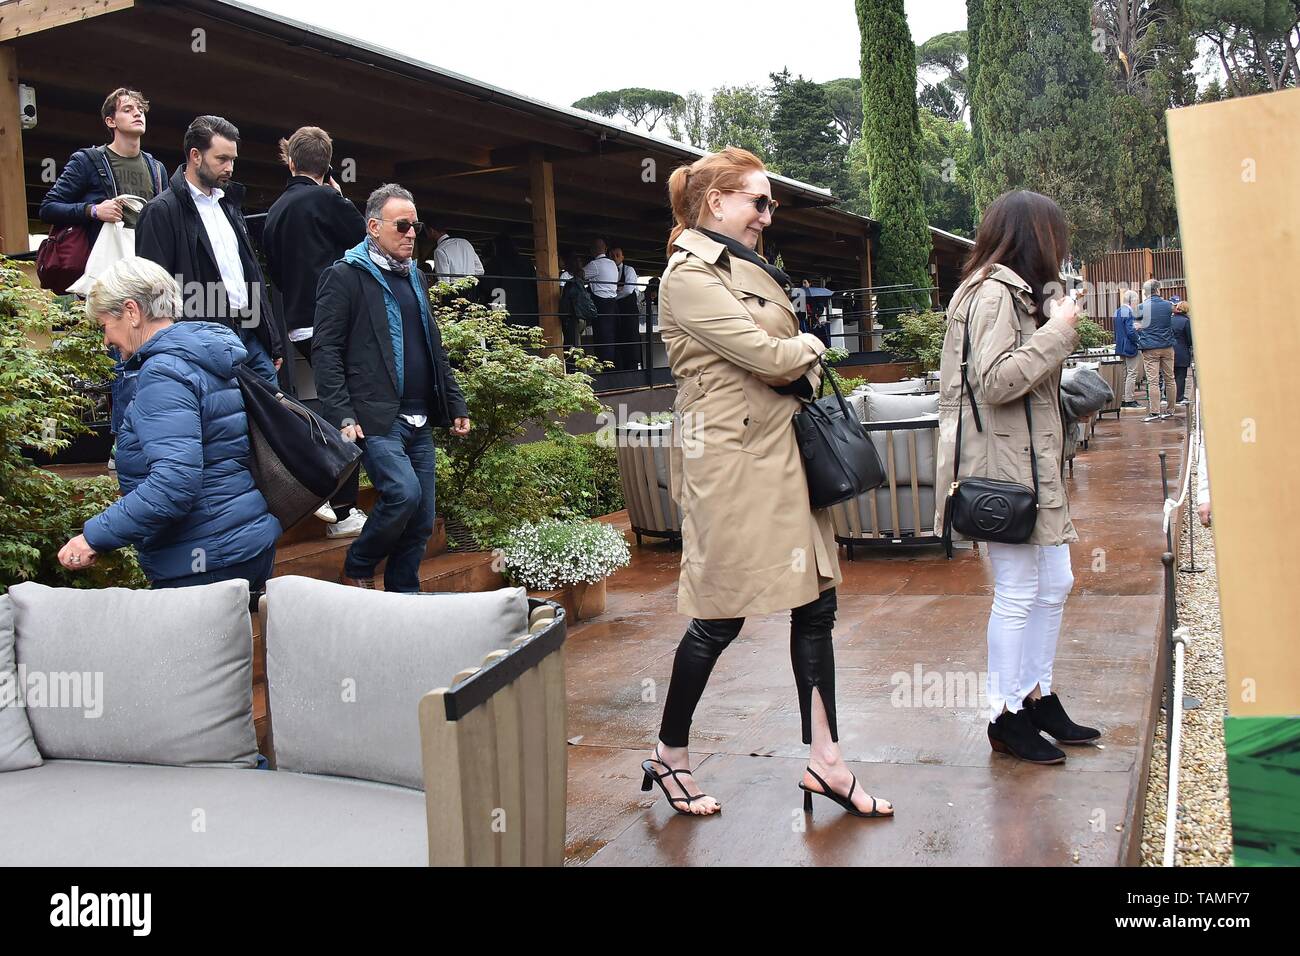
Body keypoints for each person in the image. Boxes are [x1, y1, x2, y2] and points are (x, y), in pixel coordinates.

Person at [644, 146, 892, 819]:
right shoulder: (688, 276)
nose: (767, 215)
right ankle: (670, 754)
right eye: (758, 201)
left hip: (783, 456)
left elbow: (776, 361)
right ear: (716, 202)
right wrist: (810, 347)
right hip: (732, 467)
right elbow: (770, 357)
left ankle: (827, 762)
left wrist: (795, 354)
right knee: (719, 615)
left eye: (770, 203)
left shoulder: (746, 267)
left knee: (816, 605)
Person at [934, 189, 1100, 766]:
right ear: (1037, 238)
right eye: (1057, 237)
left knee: (1055, 582)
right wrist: (1059, 332)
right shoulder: (991, 294)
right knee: (1018, 591)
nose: (1062, 249)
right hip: (1003, 474)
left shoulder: (1018, 294)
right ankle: (1004, 715)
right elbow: (997, 380)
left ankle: (1037, 695)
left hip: (1031, 467)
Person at [58, 257, 280, 599]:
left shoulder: (164, 373)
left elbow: (173, 484)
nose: (106, 340)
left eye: (105, 325)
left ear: (131, 311)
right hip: (241, 541)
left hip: (201, 558)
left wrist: (93, 537)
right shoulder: (200, 356)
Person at [312, 184, 471, 592]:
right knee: (402, 494)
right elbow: (326, 351)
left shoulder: (416, 277)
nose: (411, 233)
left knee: (421, 519)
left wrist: (455, 401)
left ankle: (404, 593)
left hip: (420, 414)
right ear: (373, 227)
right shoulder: (344, 276)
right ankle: (358, 565)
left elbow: (433, 345)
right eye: (402, 225)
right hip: (376, 416)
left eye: (415, 225)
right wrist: (342, 413)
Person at [39, 87, 169, 461]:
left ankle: (147, 440)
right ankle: (123, 448)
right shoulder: (89, 161)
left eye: (140, 109)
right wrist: (93, 211)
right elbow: (49, 207)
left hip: (149, 276)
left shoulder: (157, 168)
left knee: (154, 359)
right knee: (123, 361)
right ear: (111, 121)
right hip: (112, 276)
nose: (137, 114)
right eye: (127, 109)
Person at [262, 125, 369, 538]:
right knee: (347, 407)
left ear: (290, 161)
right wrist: (339, 197)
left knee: (331, 401)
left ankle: (335, 500)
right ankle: (339, 507)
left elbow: (275, 271)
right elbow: (368, 243)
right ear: (328, 165)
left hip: (297, 321)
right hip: (337, 319)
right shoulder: (328, 199)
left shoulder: (275, 210)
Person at [135, 115, 286, 385]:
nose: (230, 168)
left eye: (233, 160)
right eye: (222, 159)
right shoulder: (160, 211)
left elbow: (248, 272)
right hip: (202, 345)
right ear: (195, 156)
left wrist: (271, 340)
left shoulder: (229, 204)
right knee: (226, 413)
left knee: (275, 410)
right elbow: (153, 293)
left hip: (250, 334)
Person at [1134, 278, 1177, 422]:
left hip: (1150, 347)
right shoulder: (1168, 305)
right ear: (1158, 290)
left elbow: (1134, 322)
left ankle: (1155, 412)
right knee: (1170, 379)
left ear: (1145, 292)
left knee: (1153, 381)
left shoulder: (1141, 307)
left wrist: (1140, 327)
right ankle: (1170, 410)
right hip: (1167, 346)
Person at [478, 232, 539, 325]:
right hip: (527, 312)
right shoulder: (527, 262)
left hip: (503, 311)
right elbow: (535, 285)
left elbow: (487, 286)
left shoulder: (494, 264)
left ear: (496, 248)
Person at [583, 237, 619, 366]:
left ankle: (603, 363)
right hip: (612, 302)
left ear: (592, 250)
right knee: (610, 334)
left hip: (600, 302)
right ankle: (611, 364)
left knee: (601, 334)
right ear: (605, 249)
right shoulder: (613, 264)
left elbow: (580, 275)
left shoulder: (594, 264)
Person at [610, 245, 641, 370]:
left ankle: (632, 369)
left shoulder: (629, 270)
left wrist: (613, 296)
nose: (615, 257)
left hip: (629, 312)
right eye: (612, 255)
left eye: (617, 255)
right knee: (617, 339)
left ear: (622, 257)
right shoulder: (609, 271)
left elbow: (628, 290)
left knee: (631, 339)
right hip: (616, 312)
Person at [1112, 289, 1142, 408]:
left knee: (1124, 374)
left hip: (1120, 345)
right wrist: (1138, 339)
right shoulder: (1129, 312)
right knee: (1132, 373)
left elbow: (1120, 329)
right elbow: (1130, 331)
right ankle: (1129, 399)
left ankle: (1123, 398)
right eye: (1136, 301)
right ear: (1132, 301)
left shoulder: (1118, 311)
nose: (1137, 304)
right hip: (1130, 346)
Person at [1172, 300, 1193, 405]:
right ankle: (1179, 397)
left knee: (1170, 375)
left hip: (1170, 350)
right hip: (1182, 350)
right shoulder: (1186, 321)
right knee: (1181, 375)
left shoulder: (1170, 320)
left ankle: (1168, 396)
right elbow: (1189, 338)